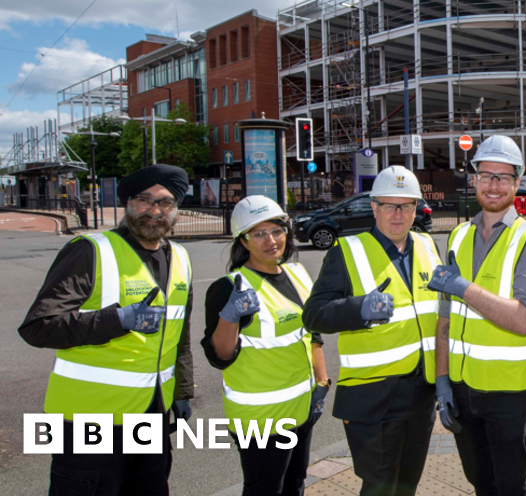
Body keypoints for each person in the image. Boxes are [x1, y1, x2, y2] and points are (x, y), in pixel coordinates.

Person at [19, 164, 195, 495]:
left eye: (166, 203)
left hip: (151, 416)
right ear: (128, 203)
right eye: (145, 200)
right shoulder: (91, 250)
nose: (155, 211)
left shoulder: (181, 258)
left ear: (176, 210)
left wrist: (183, 391)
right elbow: (39, 326)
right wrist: (117, 320)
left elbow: (180, 335)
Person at [302, 166, 442, 496]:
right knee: (379, 487)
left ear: (415, 209)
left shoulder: (427, 245)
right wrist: (358, 309)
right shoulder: (346, 251)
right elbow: (314, 315)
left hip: (422, 392)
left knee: (408, 483)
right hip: (373, 396)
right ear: (374, 207)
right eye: (389, 205)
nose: (398, 214)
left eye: (406, 205)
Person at [429, 135, 526, 496]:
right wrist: (442, 382)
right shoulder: (457, 236)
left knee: (510, 485)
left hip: (510, 392)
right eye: (486, 175)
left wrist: (462, 287)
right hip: (464, 389)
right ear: (475, 179)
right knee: (480, 482)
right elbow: (445, 320)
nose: (493, 185)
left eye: (502, 177)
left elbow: (522, 320)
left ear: (517, 182)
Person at [201, 196, 327, 496]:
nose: (271, 240)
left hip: (301, 408)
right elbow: (219, 356)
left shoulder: (297, 273)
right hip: (259, 417)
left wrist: (322, 383)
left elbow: (313, 335)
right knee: (264, 489)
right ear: (243, 241)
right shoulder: (229, 287)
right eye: (258, 233)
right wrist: (230, 316)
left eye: (277, 231)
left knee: (295, 485)